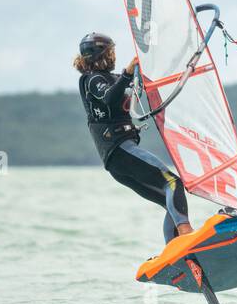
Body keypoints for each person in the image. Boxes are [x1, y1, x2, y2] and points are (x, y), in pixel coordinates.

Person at [76, 33, 193, 243]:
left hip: (118, 161)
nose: (114, 55)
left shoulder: (114, 79)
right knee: (173, 183)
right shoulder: (92, 79)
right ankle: (187, 236)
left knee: (170, 200)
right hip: (120, 151)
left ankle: (175, 252)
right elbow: (110, 98)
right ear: (101, 54)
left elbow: (126, 90)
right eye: (111, 51)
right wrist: (128, 73)